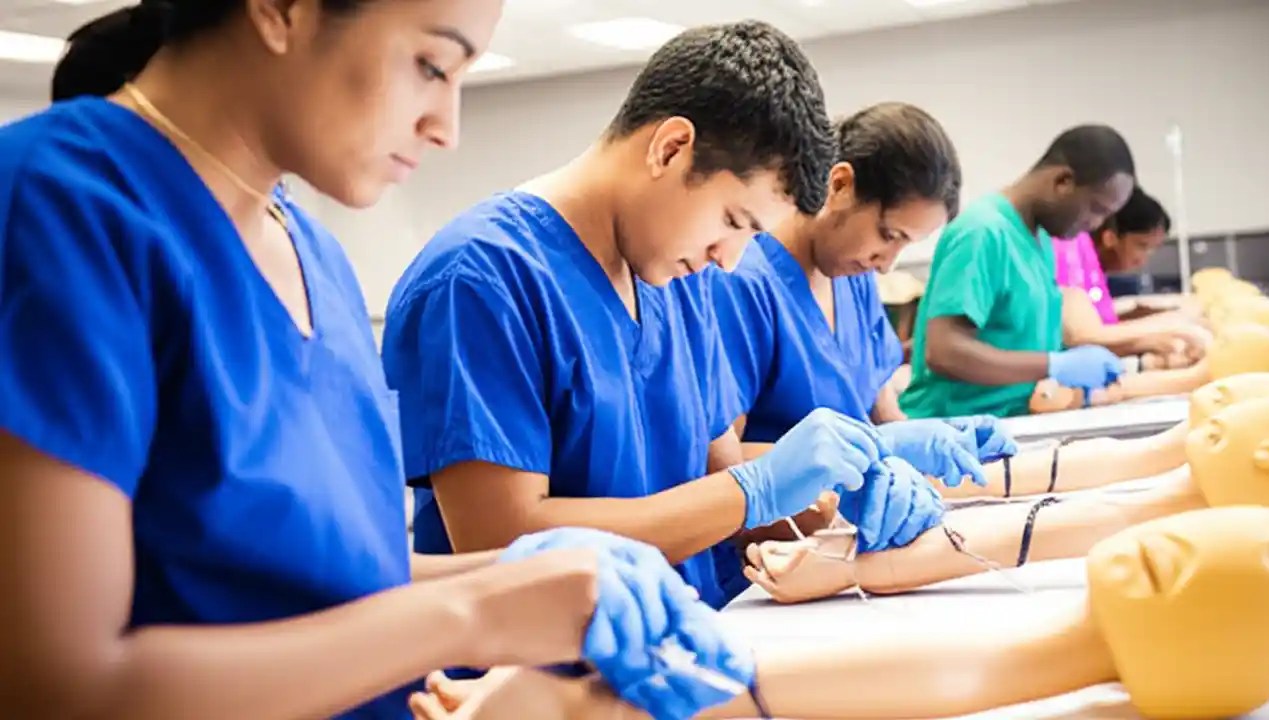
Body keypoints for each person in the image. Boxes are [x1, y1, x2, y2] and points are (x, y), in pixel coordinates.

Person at [0, 2, 751, 719]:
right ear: (282, 8)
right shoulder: (60, 206)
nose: (446, 127)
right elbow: (60, 689)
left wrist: (526, 577)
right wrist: (471, 611)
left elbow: (333, 583)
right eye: (431, 64)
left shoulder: (311, 252)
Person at [382, 21, 941, 615]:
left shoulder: (679, 278)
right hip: (548, 675)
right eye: (734, 221)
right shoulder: (482, 278)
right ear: (670, 148)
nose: (729, 261)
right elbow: (501, 538)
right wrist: (753, 491)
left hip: (692, 634)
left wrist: (835, 489)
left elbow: (720, 479)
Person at [710, 102, 1017, 491]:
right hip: (778, 531)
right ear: (839, 186)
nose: (887, 264)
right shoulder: (742, 283)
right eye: (889, 235)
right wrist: (861, 451)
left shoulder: (853, 274)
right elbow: (722, 465)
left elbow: (884, 413)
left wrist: (940, 442)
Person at [900, 125, 1134, 419]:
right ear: (1063, 181)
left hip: (1010, 420)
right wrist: (1055, 365)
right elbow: (944, 351)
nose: (1097, 224)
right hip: (955, 427)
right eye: (1096, 208)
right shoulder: (983, 232)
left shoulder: (1041, 240)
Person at [1057, 187, 1208, 360]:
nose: (1143, 259)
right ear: (1110, 238)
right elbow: (1083, 335)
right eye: (1142, 246)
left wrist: (1151, 318)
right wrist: (1170, 324)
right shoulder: (1069, 251)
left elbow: (1102, 321)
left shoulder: (1091, 263)